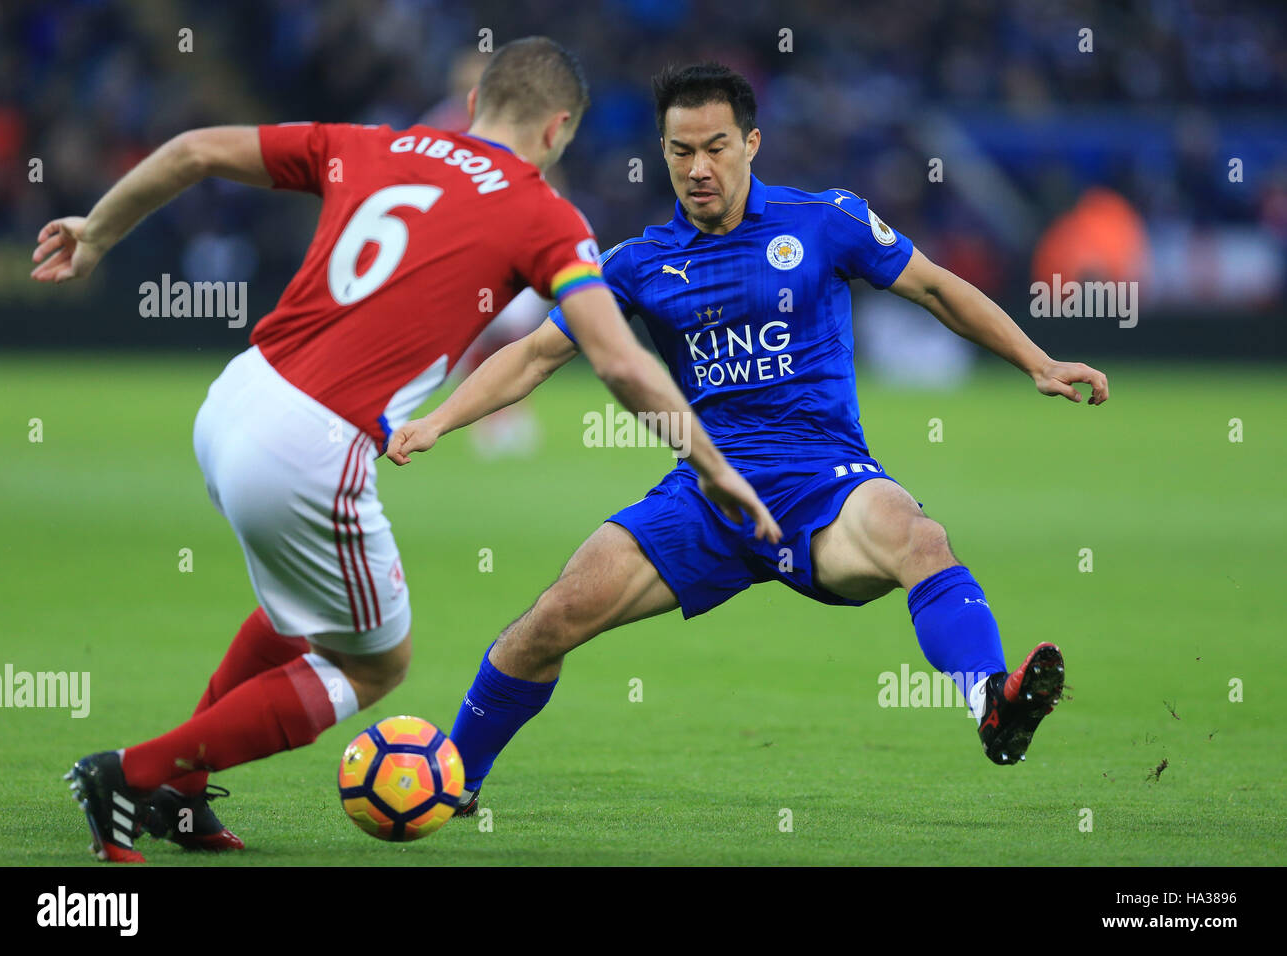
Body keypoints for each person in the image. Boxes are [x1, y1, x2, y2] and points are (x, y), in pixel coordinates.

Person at [31, 40, 778, 862]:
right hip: (314, 443)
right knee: (375, 666)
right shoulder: (545, 213)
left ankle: (183, 794)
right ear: (560, 129)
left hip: (236, 396)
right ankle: (133, 774)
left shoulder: (371, 143)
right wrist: (715, 464)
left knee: (300, 613)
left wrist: (96, 232)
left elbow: (194, 149)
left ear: (471, 106)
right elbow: (620, 359)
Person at [387, 63, 1109, 815]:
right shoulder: (636, 265)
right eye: (680, 151)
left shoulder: (826, 220)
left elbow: (934, 287)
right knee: (548, 622)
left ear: (752, 143)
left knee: (920, 540)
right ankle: (455, 782)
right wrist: (438, 420)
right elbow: (535, 353)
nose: (699, 169)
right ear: (662, 151)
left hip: (825, 483)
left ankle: (993, 702)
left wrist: (1039, 360)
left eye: (717, 147)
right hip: (705, 497)